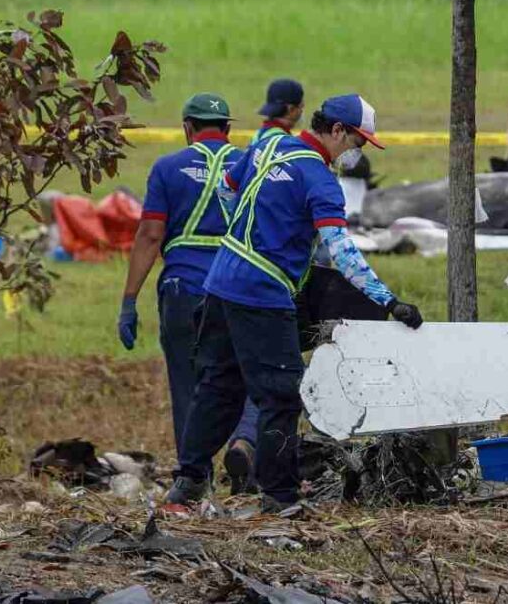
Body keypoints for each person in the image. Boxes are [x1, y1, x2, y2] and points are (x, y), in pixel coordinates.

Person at [165, 94, 424, 511]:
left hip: (220, 281)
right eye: (357, 143)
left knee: (217, 387)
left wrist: (252, 230)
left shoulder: (270, 143)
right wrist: (388, 301)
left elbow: (226, 188)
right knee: (282, 395)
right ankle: (279, 497)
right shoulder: (320, 180)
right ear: (337, 131)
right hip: (262, 292)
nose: (355, 154)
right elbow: (340, 250)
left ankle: (188, 483)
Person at [117, 92, 260, 495]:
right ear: (228, 130)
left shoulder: (168, 168)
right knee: (250, 375)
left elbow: (150, 235)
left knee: (188, 385)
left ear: (187, 129)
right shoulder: (251, 164)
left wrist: (129, 301)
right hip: (239, 289)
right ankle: (245, 445)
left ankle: (194, 479)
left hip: (183, 290)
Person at [251, 78, 305, 145]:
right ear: (291, 109)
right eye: (301, 106)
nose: (301, 111)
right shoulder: (283, 142)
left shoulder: (260, 134)